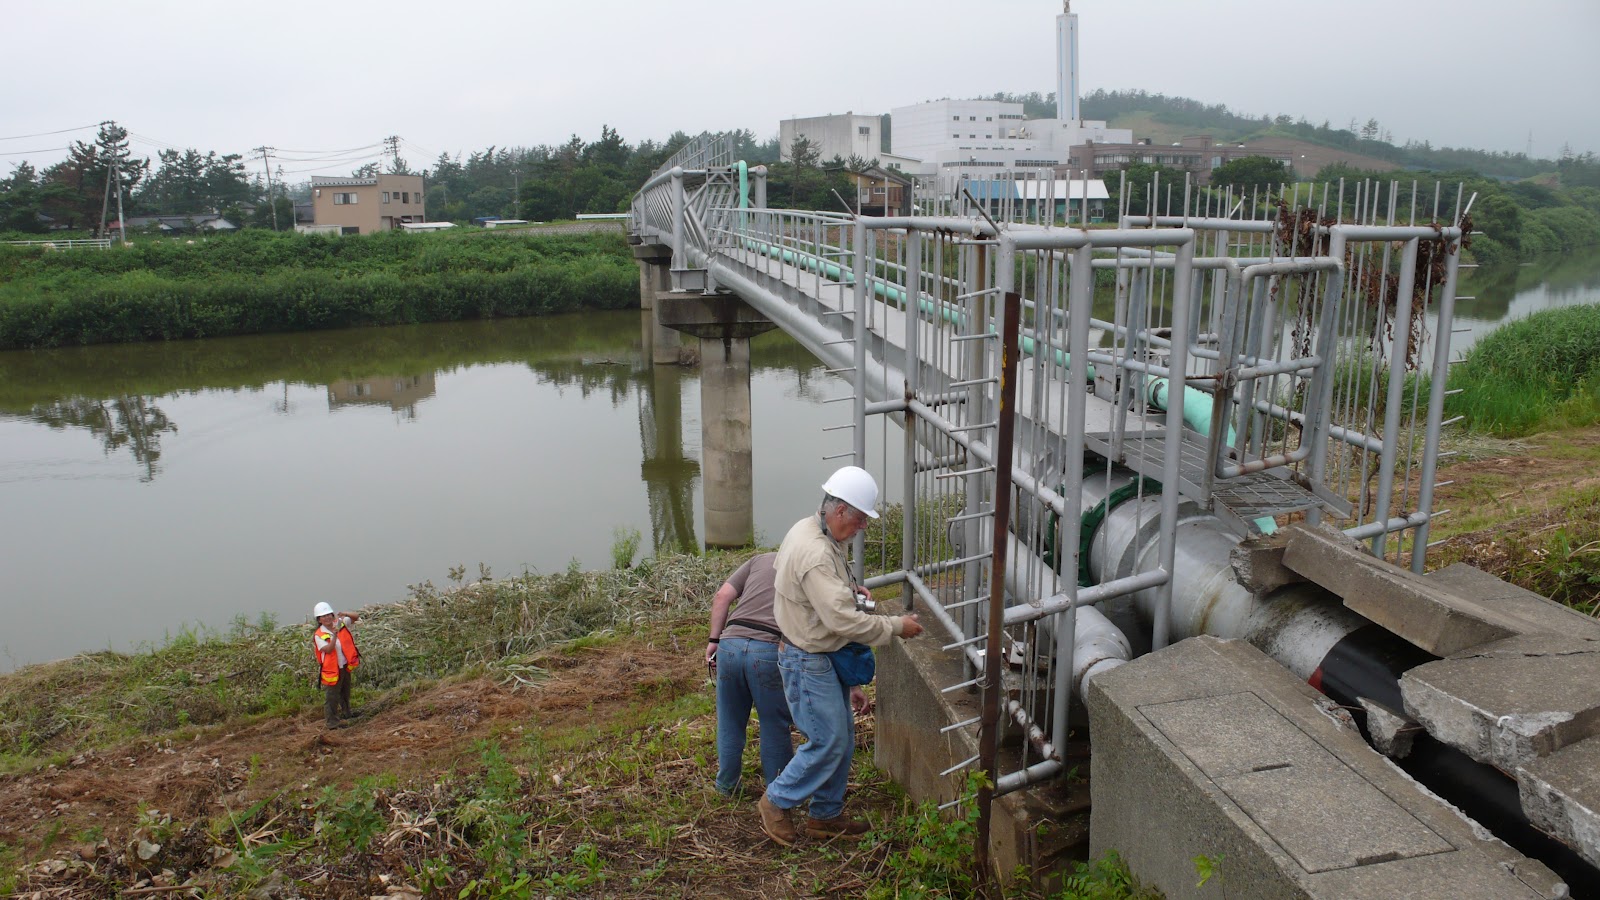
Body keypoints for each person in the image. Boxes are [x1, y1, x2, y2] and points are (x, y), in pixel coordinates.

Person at [759, 465, 925, 846]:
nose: (863, 526)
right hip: (807, 658)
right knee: (828, 740)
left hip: (815, 654)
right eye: (860, 518)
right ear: (838, 512)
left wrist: (849, 590)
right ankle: (775, 801)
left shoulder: (809, 528)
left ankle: (826, 815)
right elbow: (843, 622)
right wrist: (896, 626)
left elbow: (827, 598)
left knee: (842, 738)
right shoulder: (816, 552)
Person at [706, 552, 794, 798]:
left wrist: (714, 640)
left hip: (730, 644)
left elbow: (722, 596)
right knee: (774, 723)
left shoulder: (760, 559)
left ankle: (726, 786)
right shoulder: (807, 562)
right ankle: (778, 793)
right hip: (768, 647)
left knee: (730, 720)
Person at [311, 601, 361, 729]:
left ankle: (347, 713)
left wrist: (345, 613)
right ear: (319, 620)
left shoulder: (340, 623)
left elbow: (356, 617)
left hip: (344, 665)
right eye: (324, 616)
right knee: (331, 697)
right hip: (332, 670)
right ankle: (332, 722)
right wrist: (334, 636)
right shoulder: (319, 635)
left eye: (329, 614)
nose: (327, 618)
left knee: (345, 691)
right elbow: (328, 649)